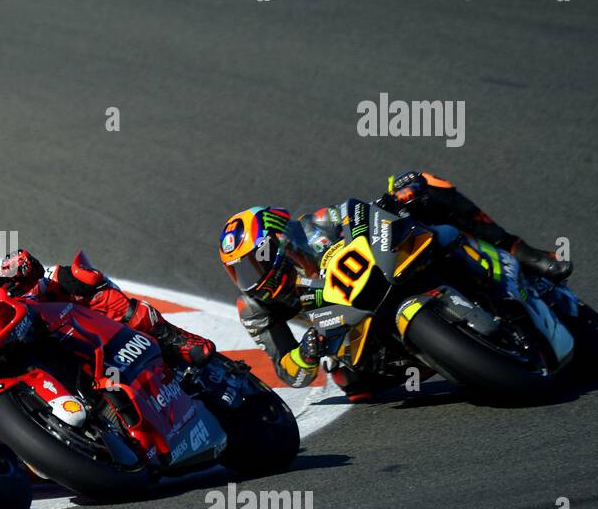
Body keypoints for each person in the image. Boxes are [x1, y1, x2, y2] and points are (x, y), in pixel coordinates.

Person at [218, 169, 573, 399]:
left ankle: (520, 251)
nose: (251, 279)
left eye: (252, 264)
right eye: (239, 272)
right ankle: (443, 354)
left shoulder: (315, 226)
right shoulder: (254, 307)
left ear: (277, 243)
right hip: (348, 334)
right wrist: (306, 352)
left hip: (385, 274)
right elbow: (288, 372)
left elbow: (355, 211)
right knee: (351, 386)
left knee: (425, 185)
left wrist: (393, 200)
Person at [0, 250, 217, 369]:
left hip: (101, 332)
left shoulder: (51, 280)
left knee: (88, 286)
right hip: (60, 353)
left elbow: (32, 265)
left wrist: (15, 275)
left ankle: (175, 339)